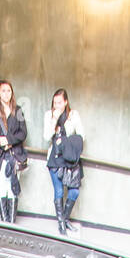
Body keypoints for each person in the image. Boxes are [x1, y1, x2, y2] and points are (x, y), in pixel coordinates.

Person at [0, 79, 27, 224]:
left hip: (14, 156)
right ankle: (4, 223)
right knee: (1, 188)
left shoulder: (18, 110)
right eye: (3, 91)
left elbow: (23, 133)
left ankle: (12, 224)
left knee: (12, 188)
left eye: (9, 90)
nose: (6, 94)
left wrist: (8, 140)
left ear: (12, 93)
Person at [44, 88, 84, 236]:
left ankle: (64, 218)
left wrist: (65, 142)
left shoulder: (73, 115)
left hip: (69, 159)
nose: (57, 105)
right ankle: (61, 224)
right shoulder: (49, 115)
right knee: (59, 191)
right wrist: (54, 119)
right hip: (54, 159)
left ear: (66, 102)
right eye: (55, 103)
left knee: (74, 191)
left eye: (59, 102)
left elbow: (81, 136)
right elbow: (46, 137)